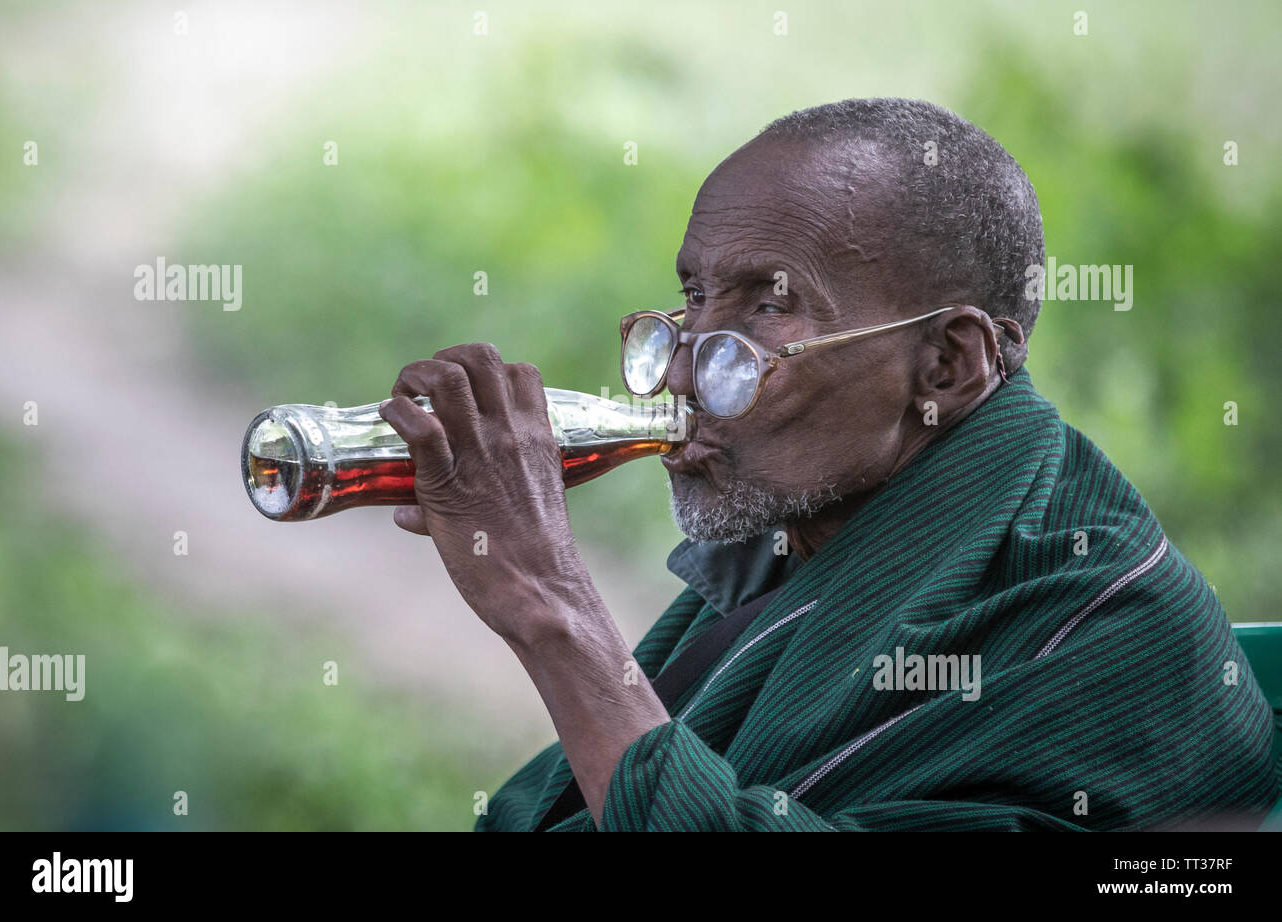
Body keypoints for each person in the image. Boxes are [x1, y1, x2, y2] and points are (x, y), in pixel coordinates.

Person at [377, 98, 1279, 831]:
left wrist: (549, 603)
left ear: (948, 365)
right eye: (693, 297)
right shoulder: (816, 530)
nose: (685, 366)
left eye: (769, 306)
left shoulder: (1099, 624)